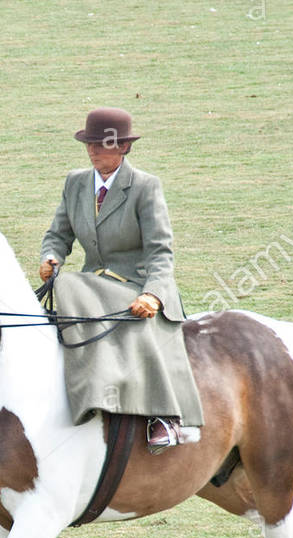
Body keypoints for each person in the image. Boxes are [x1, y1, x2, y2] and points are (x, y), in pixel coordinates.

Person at [39, 107, 203, 451]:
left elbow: (160, 251)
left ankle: (166, 417)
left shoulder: (145, 187)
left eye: (102, 144)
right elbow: (58, 234)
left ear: (123, 148)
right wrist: (50, 257)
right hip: (93, 287)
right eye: (90, 143)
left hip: (137, 286)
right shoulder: (75, 182)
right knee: (62, 291)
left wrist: (154, 295)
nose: (93, 150)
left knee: (69, 285)